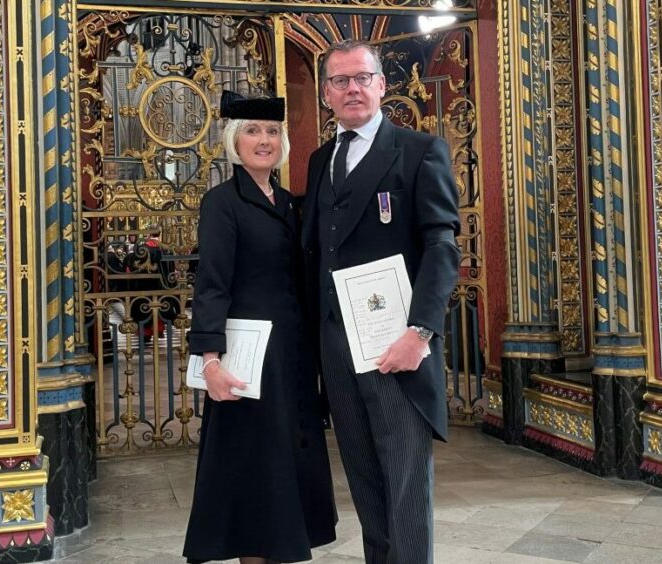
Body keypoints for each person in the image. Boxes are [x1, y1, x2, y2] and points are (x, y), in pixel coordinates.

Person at [301, 39, 461, 563]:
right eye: (340, 80)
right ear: (326, 93)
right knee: (365, 481)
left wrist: (421, 332)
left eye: (362, 78)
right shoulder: (320, 161)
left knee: (405, 484)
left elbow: (441, 246)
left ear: (381, 85)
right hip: (336, 346)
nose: (352, 88)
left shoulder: (419, 150)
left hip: (396, 343)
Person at [183, 90, 337, 564]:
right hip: (249, 361)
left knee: (286, 466)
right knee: (255, 470)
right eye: (252, 130)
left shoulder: (290, 204)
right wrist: (210, 361)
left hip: (292, 356)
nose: (264, 140)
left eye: (272, 131)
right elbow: (212, 284)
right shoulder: (222, 203)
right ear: (235, 140)